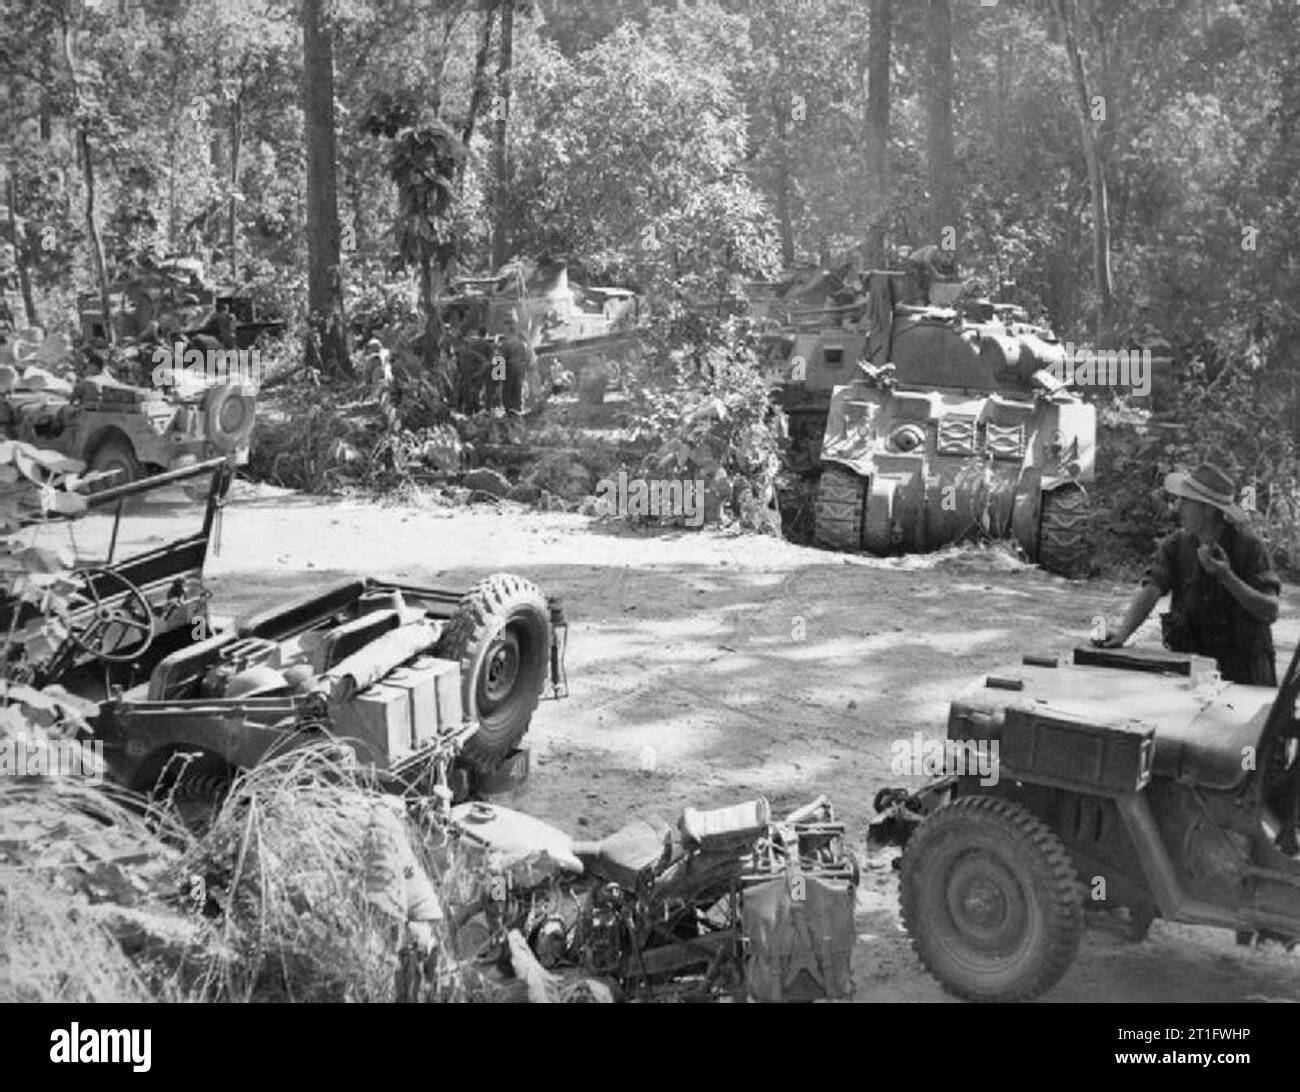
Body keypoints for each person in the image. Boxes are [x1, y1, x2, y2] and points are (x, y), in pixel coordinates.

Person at [1099, 460, 1280, 686]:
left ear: (1208, 509)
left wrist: (1226, 577)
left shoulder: (1249, 547)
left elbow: (1270, 610)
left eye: (1186, 501)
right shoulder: (1175, 546)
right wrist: (1122, 635)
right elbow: (1151, 589)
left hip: (1245, 671)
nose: (1178, 507)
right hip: (1196, 669)